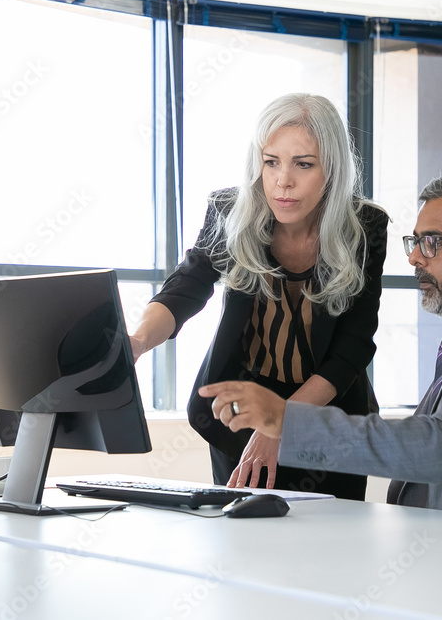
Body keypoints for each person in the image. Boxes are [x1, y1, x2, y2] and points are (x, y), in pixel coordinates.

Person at [201, 172, 442, 524]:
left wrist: (286, 421)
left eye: (432, 242)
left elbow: (440, 447)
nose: (414, 257)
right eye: (415, 242)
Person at [130, 93, 389, 500]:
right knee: (243, 542)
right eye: (271, 162)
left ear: (332, 169)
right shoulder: (230, 210)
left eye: (303, 164)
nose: (283, 181)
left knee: (331, 548)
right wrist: (139, 341)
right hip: (241, 409)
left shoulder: (365, 226)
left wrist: (283, 422)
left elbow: (354, 346)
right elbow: (187, 286)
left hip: (326, 412)